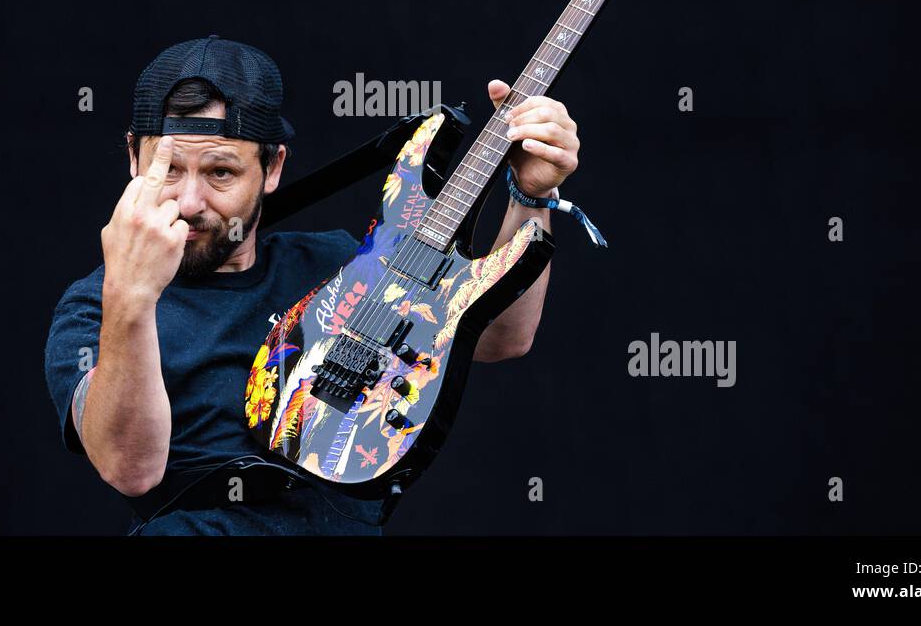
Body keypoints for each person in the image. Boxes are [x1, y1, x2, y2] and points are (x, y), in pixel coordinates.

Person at [43, 35, 581, 534]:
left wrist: (529, 196)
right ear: (134, 157)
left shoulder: (338, 263)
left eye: (221, 172)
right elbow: (129, 470)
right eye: (168, 170)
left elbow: (496, 337)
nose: (188, 202)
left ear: (273, 168)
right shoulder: (96, 308)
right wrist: (131, 297)